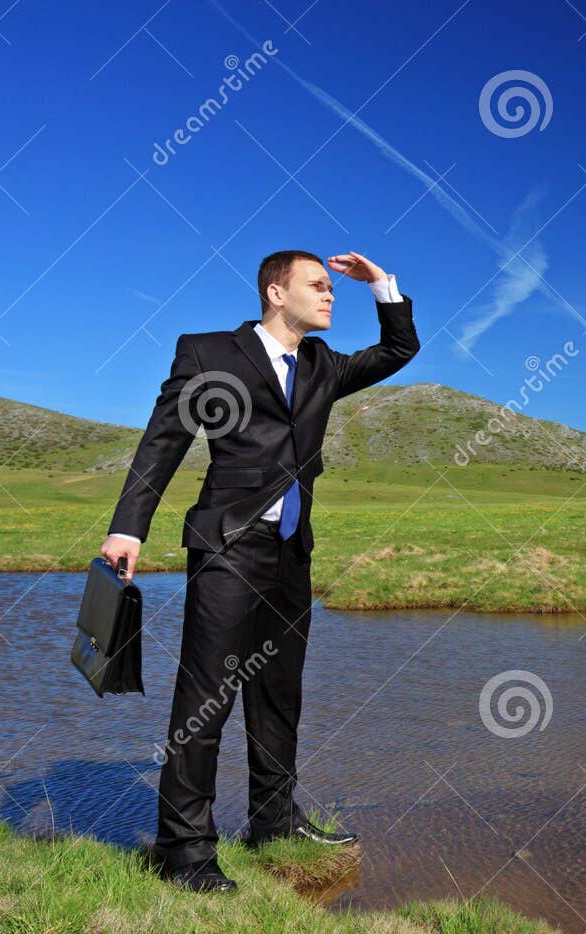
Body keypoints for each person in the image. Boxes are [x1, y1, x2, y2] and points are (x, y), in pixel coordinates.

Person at [101, 249, 419, 892]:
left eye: (333, 288)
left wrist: (382, 285)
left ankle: (274, 822)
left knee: (279, 692)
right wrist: (128, 524)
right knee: (207, 696)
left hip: (291, 549)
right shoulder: (208, 353)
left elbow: (397, 351)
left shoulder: (323, 364)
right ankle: (183, 848)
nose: (331, 296)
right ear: (276, 292)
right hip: (227, 546)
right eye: (319, 286)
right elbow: (163, 440)